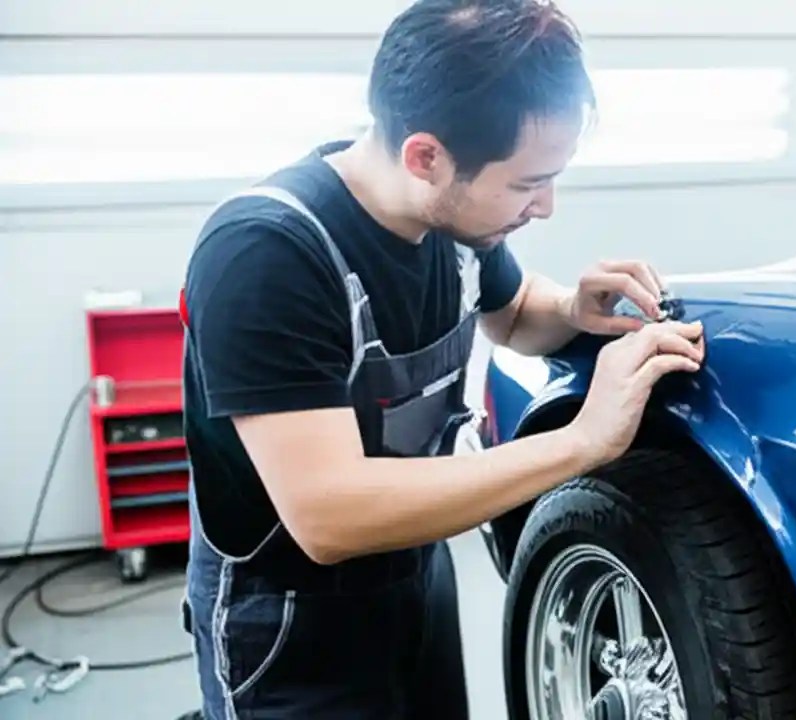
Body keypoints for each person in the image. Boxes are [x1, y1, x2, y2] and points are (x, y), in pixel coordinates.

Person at [176, 0, 704, 717]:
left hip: (415, 577)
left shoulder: (451, 221)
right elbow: (327, 517)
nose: (545, 206)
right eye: (526, 183)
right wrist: (582, 441)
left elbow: (513, 314)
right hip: (291, 625)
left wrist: (574, 309)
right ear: (426, 156)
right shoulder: (268, 254)